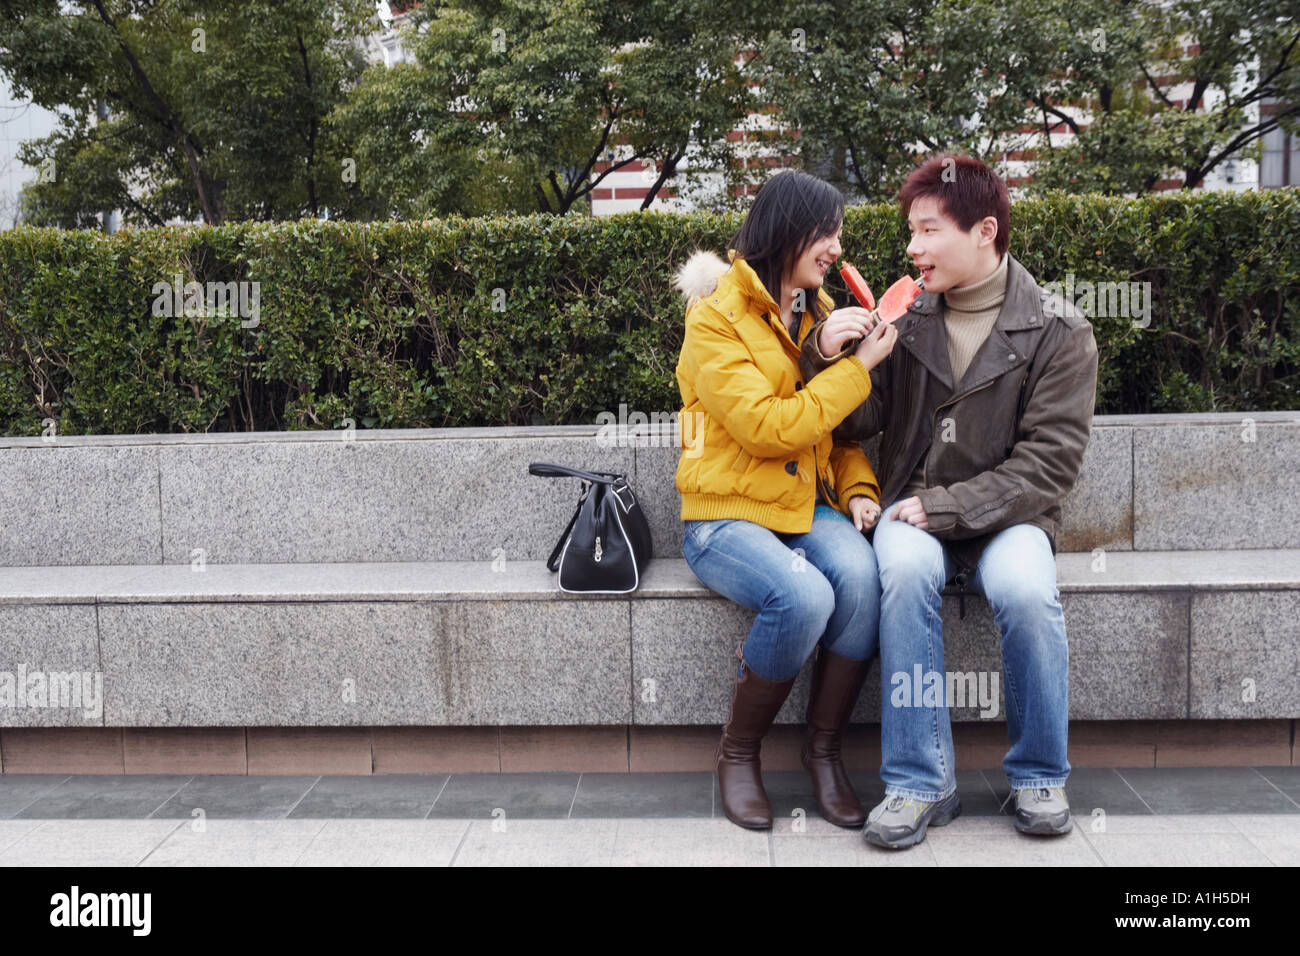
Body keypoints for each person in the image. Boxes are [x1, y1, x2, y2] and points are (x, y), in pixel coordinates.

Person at [803, 154, 1099, 849]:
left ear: (985, 231)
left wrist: (946, 507)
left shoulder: (1060, 330)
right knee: (902, 573)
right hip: (912, 509)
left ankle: (1038, 775)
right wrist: (831, 355)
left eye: (928, 230)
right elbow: (854, 424)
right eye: (912, 231)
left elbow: (1049, 465)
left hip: (1006, 515)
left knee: (1028, 591)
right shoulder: (907, 318)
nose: (911, 248)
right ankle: (917, 782)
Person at [672, 169, 898, 830]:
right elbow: (769, 430)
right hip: (723, 516)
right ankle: (738, 752)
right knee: (804, 596)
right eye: (825, 232)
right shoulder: (714, 318)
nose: (835, 247)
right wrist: (851, 370)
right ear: (786, 231)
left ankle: (823, 752)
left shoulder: (822, 312)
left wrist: (858, 492)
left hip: (807, 508)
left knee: (861, 577)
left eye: (838, 234)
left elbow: (837, 430)